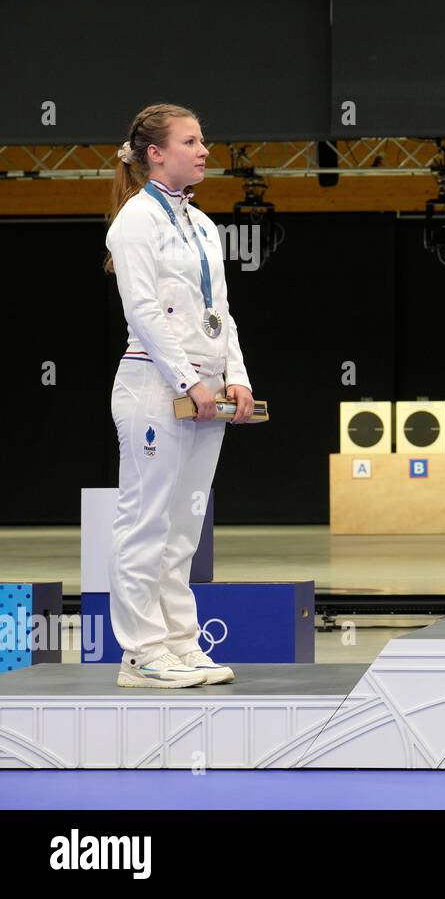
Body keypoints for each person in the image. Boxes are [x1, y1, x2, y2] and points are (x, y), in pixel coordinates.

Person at [104, 103, 254, 687]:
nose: (205, 150)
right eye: (191, 141)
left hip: (205, 391)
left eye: (203, 140)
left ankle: (179, 641)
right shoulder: (134, 222)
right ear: (155, 154)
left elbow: (219, 313)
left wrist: (234, 377)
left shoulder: (205, 226)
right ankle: (140, 653)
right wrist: (189, 380)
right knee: (146, 521)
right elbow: (142, 312)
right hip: (153, 387)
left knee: (184, 526)